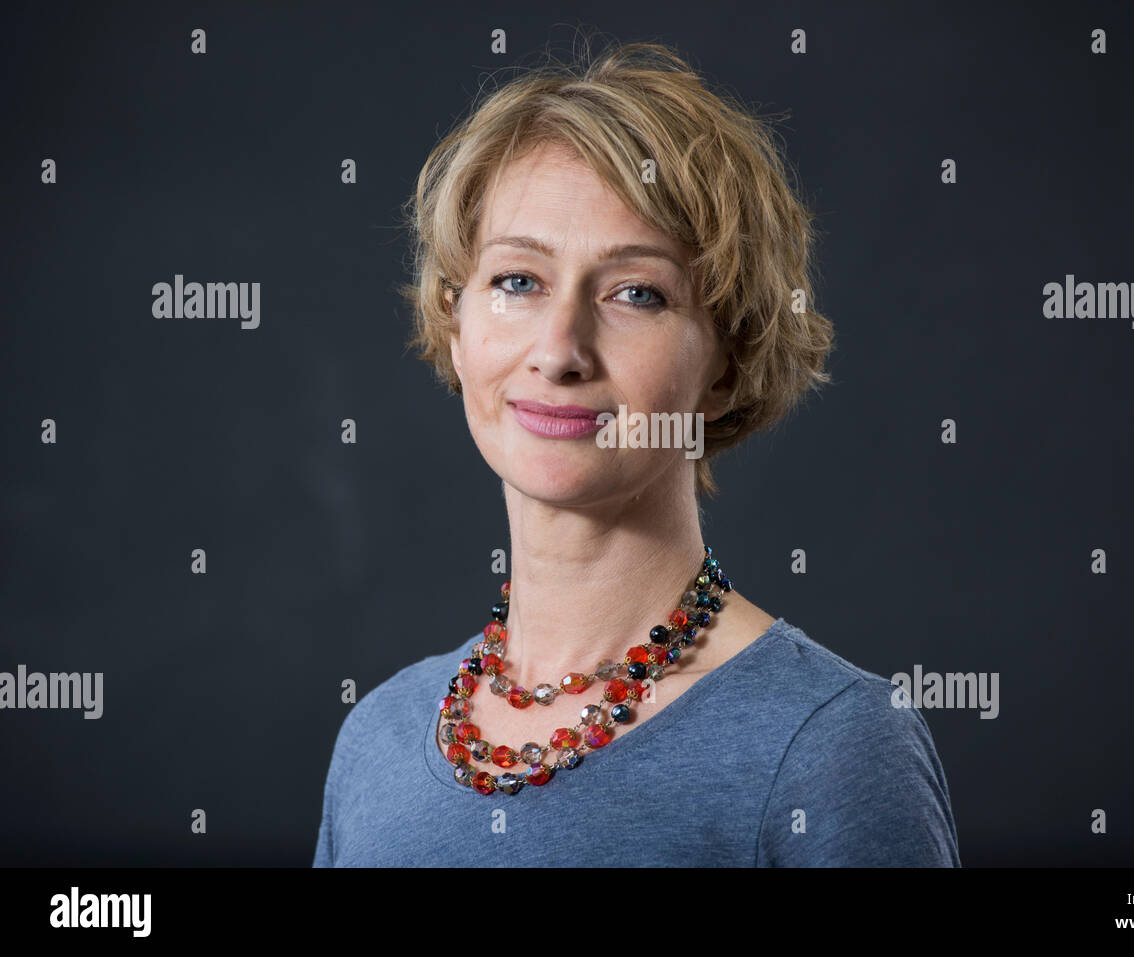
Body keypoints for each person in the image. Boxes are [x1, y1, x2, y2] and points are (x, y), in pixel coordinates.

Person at [312, 39, 959, 867]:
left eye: (636, 293)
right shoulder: (379, 739)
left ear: (727, 364)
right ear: (455, 321)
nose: (560, 349)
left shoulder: (833, 745)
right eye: (518, 280)